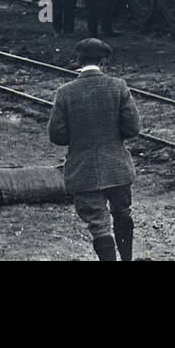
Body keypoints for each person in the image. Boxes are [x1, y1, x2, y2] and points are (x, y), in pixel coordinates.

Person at [48, 38, 141, 261]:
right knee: (122, 214)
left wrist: (79, 136)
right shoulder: (118, 86)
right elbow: (132, 128)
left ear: (79, 60)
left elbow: (56, 135)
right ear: (104, 61)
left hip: (83, 171)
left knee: (99, 226)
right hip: (117, 168)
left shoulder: (65, 92)